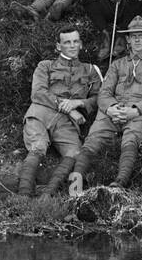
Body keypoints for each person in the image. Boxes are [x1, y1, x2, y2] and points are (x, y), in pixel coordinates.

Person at [60, 15, 142, 193]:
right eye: (133, 36)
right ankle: (74, 190)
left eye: (141, 35)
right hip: (111, 111)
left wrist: (135, 110)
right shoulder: (117, 65)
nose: (137, 39)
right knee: (91, 143)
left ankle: (119, 184)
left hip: (138, 112)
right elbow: (104, 92)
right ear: (127, 39)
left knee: (131, 139)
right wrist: (110, 108)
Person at [20, 25, 100, 197]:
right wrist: (69, 108)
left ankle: (49, 195)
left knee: (76, 154)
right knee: (38, 146)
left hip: (66, 124)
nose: (72, 46)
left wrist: (79, 103)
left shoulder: (91, 70)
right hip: (41, 113)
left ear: (80, 44)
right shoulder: (45, 66)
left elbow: (98, 99)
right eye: (67, 42)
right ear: (58, 46)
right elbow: (38, 93)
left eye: (75, 41)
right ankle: (23, 196)